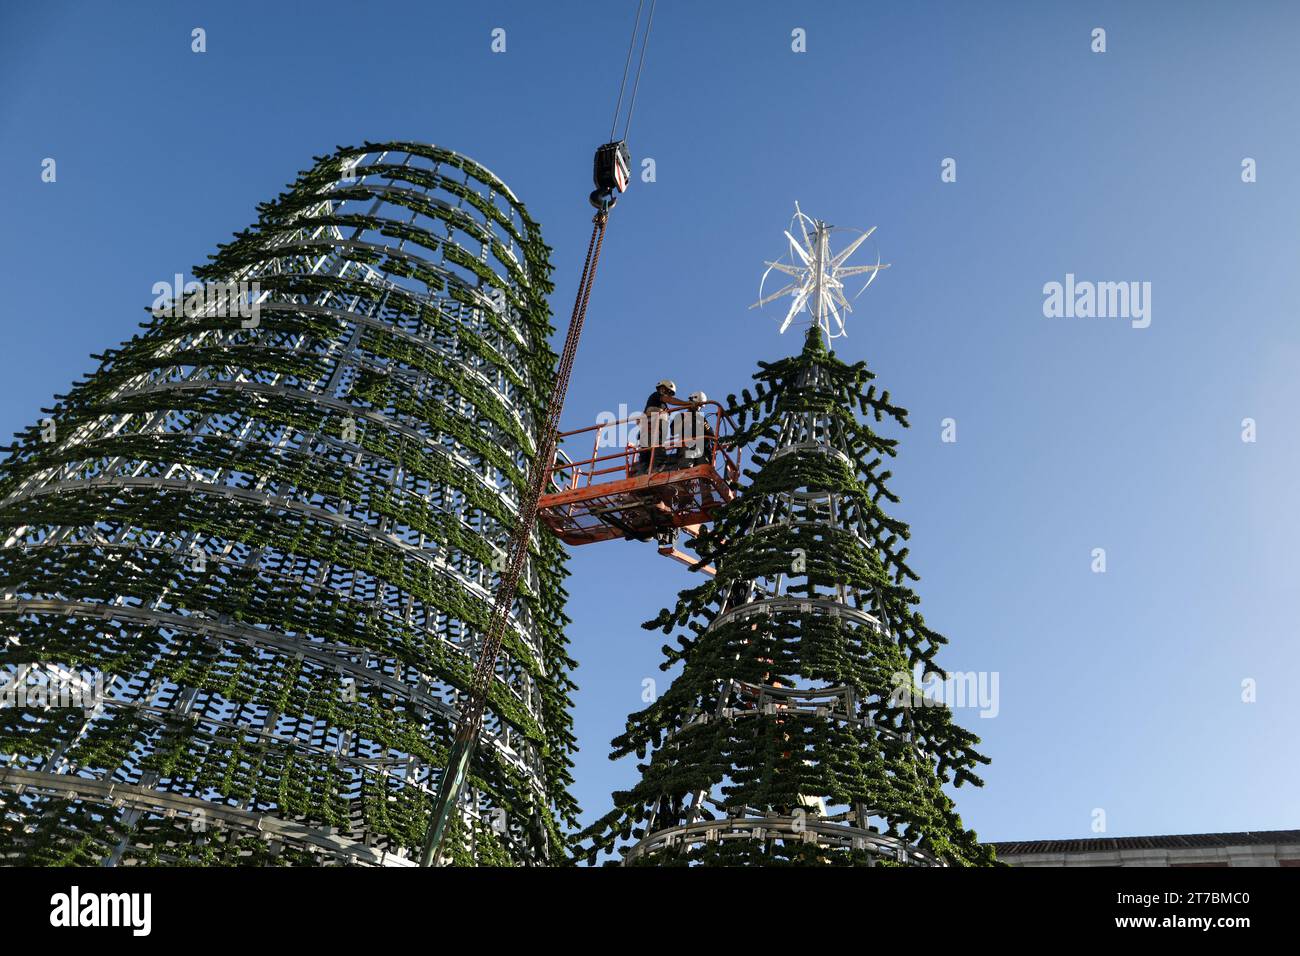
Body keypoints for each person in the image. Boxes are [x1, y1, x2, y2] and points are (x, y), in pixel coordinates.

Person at [635, 379, 679, 474]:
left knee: (646, 448)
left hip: (650, 427)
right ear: (662, 389)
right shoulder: (656, 395)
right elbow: (669, 400)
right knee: (656, 447)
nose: (669, 395)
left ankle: (643, 471)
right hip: (653, 426)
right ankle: (657, 467)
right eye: (669, 392)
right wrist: (687, 403)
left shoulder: (657, 403)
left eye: (671, 394)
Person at [673, 391, 715, 468]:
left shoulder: (701, 419)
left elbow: (711, 434)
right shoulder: (681, 417)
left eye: (700, 406)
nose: (698, 408)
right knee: (686, 468)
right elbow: (673, 431)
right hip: (687, 447)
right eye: (697, 405)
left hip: (701, 450)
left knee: (703, 468)